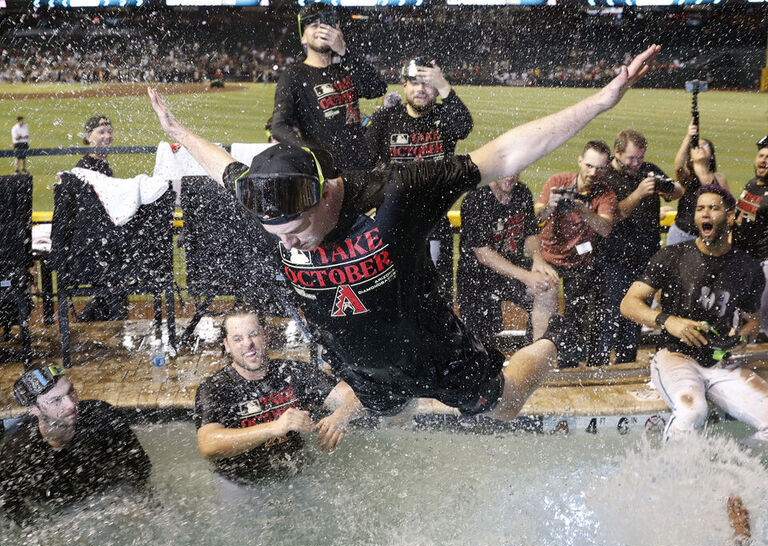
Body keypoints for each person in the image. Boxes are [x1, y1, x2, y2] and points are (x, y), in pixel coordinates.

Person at [148, 45, 661, 422]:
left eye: (297, 230)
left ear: (324, 194)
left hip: (434, 351)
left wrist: (601, 101)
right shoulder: (267, 195)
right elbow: (224, 166)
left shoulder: (398, 193)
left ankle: (554, 341)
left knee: (503, 406)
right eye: (276, 234)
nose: (289, 244)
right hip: (362, 367)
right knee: (389, 414)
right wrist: (179, 133)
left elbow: (505, 153)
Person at [620, 185, 767, 443]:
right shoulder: (672, 256)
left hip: (722, 363)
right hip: (676, 357)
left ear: (730, 216)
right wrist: (669, 322)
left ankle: (732, 464)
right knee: (691, 411)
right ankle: (666, 468)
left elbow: (752, 321)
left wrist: (742, 336)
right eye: (700, 209)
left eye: (713, 208)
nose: (705, 214)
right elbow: (628, 304)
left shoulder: (748, 267)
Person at [194, 308, 365, 483]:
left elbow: (358, 397)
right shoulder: (216, 387)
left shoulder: (294, 371)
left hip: (296, 474)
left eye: (254, 334)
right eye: (237, 339)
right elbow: (208, 445)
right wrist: (274, 428)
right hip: (240, 484)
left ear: (266, 336)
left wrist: (341, 416)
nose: (248, 343)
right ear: (227, 345)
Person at [365, 56, 474, 299]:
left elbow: (464, 126)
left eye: (428, 83)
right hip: (393, 218)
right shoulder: (386, 118)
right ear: (404, 86)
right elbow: (364, 162)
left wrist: (443, 84)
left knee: (435, 293)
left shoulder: (444, 118)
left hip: (434, 218)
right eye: (415, 83)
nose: (420, 89)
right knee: (390, 290)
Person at [0, 365, 151, 525]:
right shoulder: (19, 453)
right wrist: (44, 529)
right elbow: (8, 503)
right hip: (64, 517)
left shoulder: (102, 416)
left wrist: (133, 501)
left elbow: (141, 466)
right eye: (56, 400)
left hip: (114, 497)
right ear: (34, 410)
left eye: (71, 391)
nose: (71, 404)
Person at [591, 129, 684, 366]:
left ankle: (625, 365)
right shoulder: (604, 177)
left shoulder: (648, 170)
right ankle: (597, 367)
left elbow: (678, 192)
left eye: (640, 158)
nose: (636, 163)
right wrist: (639, 193)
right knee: (607, 318)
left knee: (635, 318)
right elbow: (612, 216)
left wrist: (668, 187)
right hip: (613, 260)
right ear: (617, 151)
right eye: (631, 158)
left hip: (645, 260)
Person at [270, 3, 386, 171]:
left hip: (361, 172)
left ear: (337, 31)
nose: (322, 30)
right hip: (329, 174)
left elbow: (377, 87)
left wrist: (344, 51)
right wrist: (313, 155)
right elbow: (279, 126)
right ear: (303, 38)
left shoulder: (346, 70)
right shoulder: (294, 75)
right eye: (313, 25)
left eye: (326, 24)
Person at [534, 140, 617, 367]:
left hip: (580, 263)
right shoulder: (558, 182)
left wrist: (582, 209)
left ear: (606, 168)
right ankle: (537, 358)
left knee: (575, 317)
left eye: (599, 168)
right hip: (548, 258)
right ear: (580, 161)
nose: (593, 173)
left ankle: (568, 364)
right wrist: (551, 205)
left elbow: (605, 229)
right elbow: (536, 218)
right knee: (543, 310)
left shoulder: (605, 193)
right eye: (589, 166)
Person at [457, 174, 558, 346]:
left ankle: (537, 351)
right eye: (506, 172)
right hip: (477, 279)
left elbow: (530, 233)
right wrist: (526, 276)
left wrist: (537, 259)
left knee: (547, 285)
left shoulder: (522, 192)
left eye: (515, 171)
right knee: (479, 344)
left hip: (512, 268)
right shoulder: (476, 199)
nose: (510, 177)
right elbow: (483, 254)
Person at [72, 115, 127, 322]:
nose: (107, 136)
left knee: (109, 294)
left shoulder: (99, 165)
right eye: (101, 132)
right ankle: (104, 325)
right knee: (113, 293)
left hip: (98, 245)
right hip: (95, 248)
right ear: (88, 137)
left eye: (109, 131)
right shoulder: (88, 166)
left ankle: (90, 323)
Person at [668, 121, 729, 246]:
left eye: (705, 145)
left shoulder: (719, 179)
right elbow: (678, 166)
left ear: (712, 155)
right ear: (690, 157)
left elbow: (727, 207)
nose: (700, 147)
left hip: (708, 235)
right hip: (682, 234)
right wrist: (688, 137)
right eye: (696, 145)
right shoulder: (687, 177)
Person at [732, 136, 768, 339]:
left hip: (764, 262)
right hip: (744, 260)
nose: (764, 160)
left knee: (762, 316)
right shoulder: (752, 184)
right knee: (743, 312)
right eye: (761, 156)